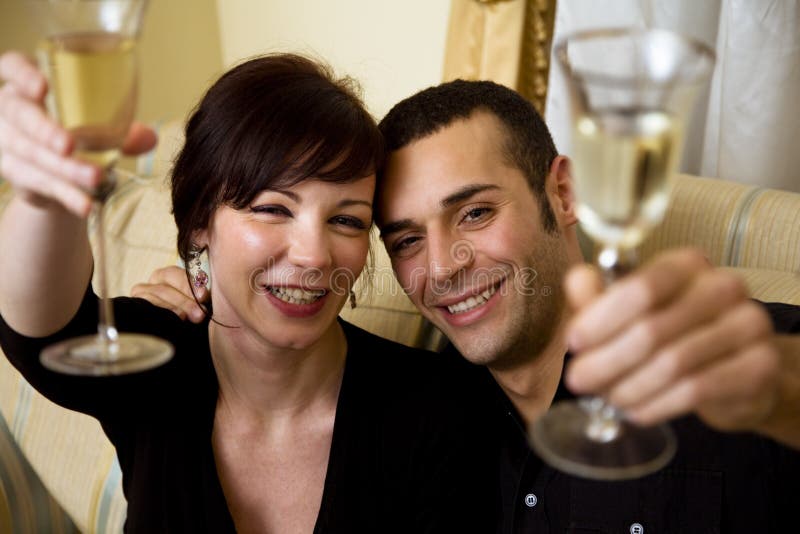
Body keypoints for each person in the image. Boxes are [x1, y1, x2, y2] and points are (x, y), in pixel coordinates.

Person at [140, 79, 800, 533]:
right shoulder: (428, 421)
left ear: (563, 194)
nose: (446, 264)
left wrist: (779, 389)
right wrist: (206, 289)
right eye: (405, 240)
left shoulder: (710, 349)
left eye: (476, 212)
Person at [0, 52, 501, 533]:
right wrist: (44, 193)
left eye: (346, 220)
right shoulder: (153, 357)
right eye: (273, 209)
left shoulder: (433, 410)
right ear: (200, 223)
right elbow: (42, 332)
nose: (314, 256)